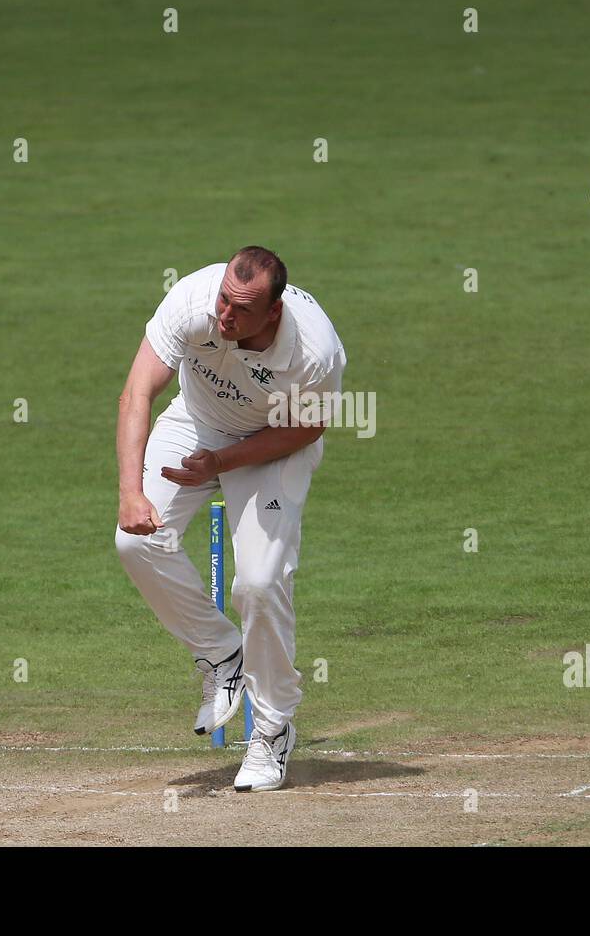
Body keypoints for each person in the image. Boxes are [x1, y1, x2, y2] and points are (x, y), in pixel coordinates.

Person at [115, 246, 346, 790]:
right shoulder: (194, 302)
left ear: (274, 312)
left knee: (260, 583)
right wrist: (130, 492)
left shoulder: (316, 352)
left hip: (273, 448)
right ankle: (223, 655)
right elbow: (137, 392)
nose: (224, 317)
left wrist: (220, 464)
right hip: (197, 421)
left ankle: (271, 732)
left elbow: (306, 429)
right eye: (223, 299)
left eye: (241, 310)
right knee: (136, 543)